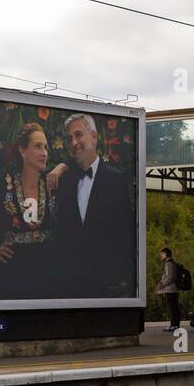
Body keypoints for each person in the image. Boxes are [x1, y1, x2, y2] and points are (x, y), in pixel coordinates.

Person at [0, 122, 57, 298]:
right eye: (38, 147)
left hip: (47, 278)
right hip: (10, 278)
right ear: (22, 150)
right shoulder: (1, 186)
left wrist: (62, 167)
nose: (44, 153)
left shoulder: (52, 185)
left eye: (46, 147)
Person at [53, 112, 134, 297]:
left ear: (94, 137)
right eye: (69, 138)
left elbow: (124, 232)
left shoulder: (116, 179)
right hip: (70, 288)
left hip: (108, 287)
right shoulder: (64, 180)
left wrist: (122, 280)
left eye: (78, 134)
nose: (74, 142)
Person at [156, 247, 181, 332]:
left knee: (172, 308)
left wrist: (162, 284)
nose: (161, 256)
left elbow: (170, 277)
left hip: (171, 290)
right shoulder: (171, 263)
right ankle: (174, 325)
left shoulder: (168, 264)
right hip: (173, 290)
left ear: (167, 254)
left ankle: (174, 325)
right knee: (174, 308)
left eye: (162, 254)